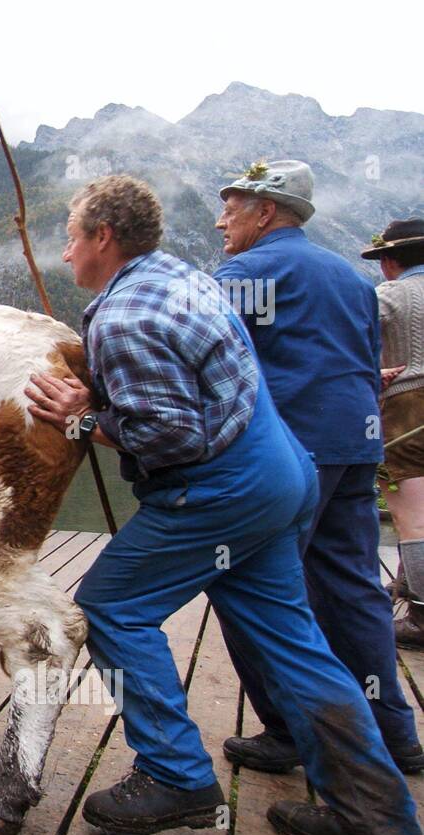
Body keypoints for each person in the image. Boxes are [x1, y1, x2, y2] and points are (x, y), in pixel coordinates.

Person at [25, 174, 421, 835]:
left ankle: (175, 773)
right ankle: (376, 816)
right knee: (291, 640)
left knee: (110, 607)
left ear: (102, 238)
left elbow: (172, 437)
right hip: (283, 465)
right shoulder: (178, 276)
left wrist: (83, 417)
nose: (64, 255)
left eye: (69, 238)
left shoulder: (122, 318)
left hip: (222, 487)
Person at [213, 162, 423, 774]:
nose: (221, 217)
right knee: (353, 588)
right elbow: (357, 360)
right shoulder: (350, 277)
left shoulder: (249, 272)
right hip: (357, 451)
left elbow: (202, 353)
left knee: (246, 584)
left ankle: (288, 729)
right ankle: (394, 733)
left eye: (233, 205)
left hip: (289, 454)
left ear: (266, 212)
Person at [363, 218, 424, 650]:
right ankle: (408, 587)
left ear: (388, 262)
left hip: (407, 406)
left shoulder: (389, 295)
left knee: (411, 516)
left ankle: (421, 617)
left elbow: (353, 344)